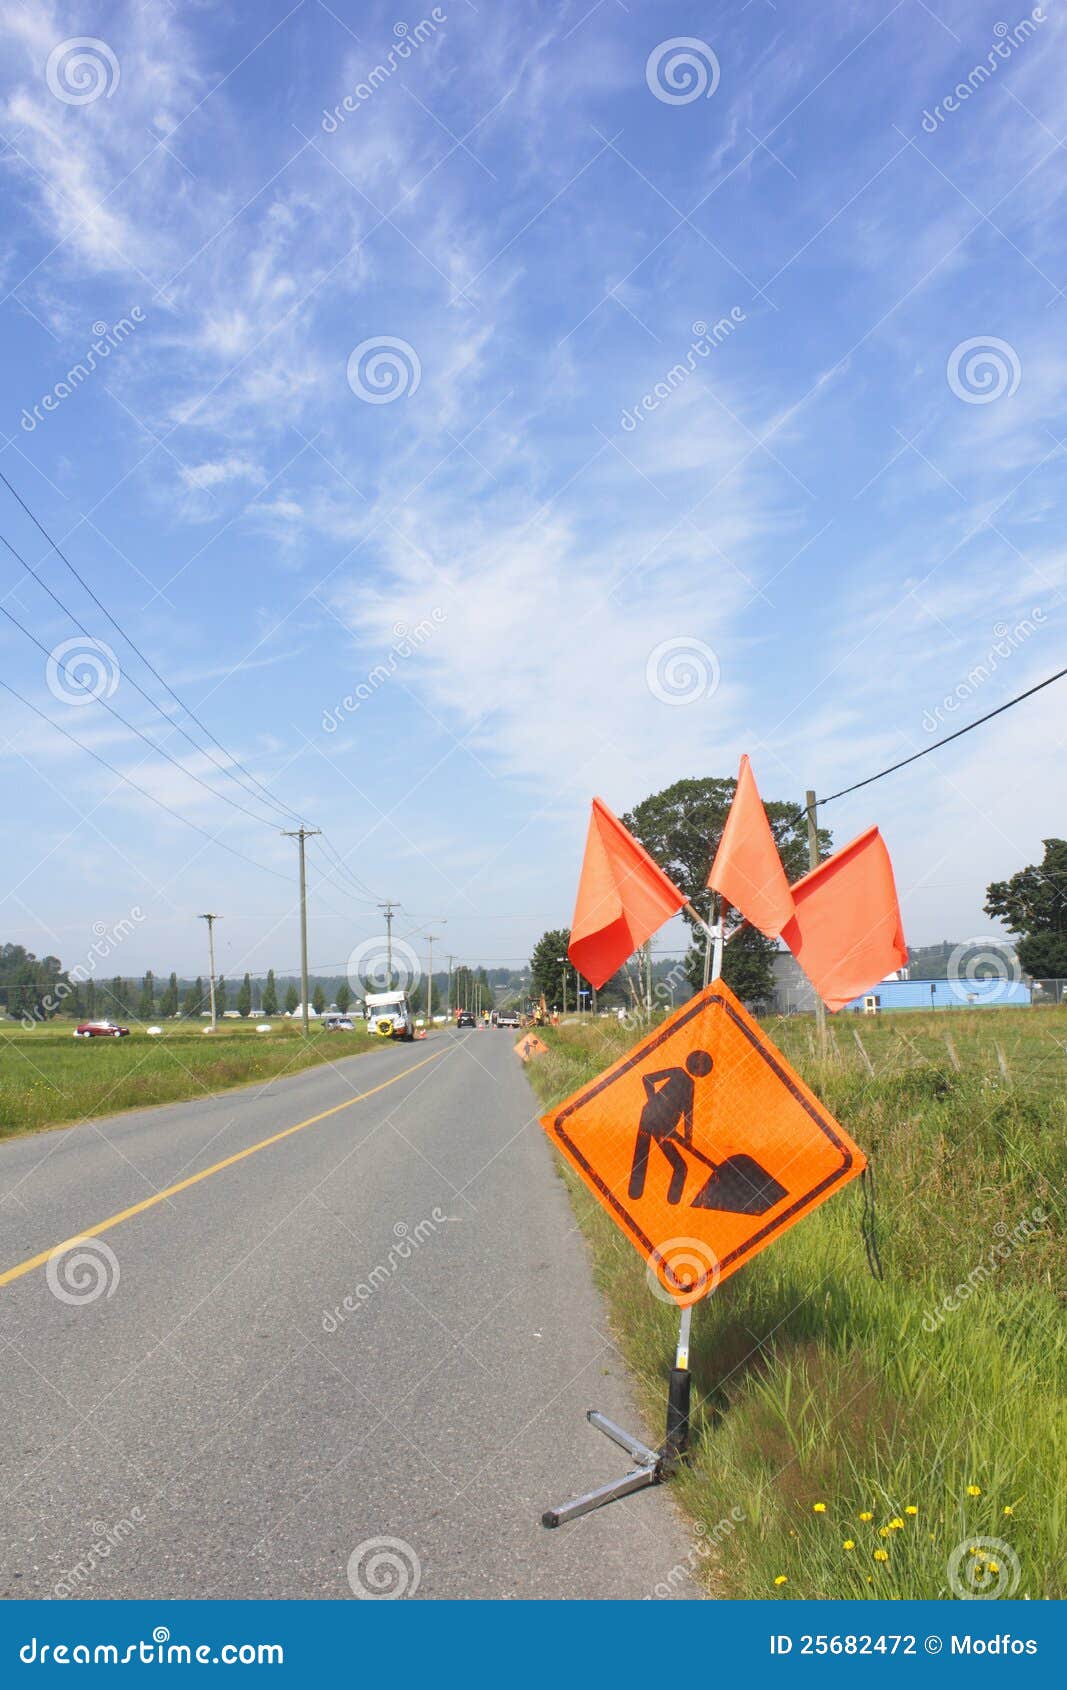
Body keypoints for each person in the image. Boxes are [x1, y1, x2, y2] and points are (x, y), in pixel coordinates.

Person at [628, 1050, 713, 1205]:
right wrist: (655, 1105)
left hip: (666, 1127)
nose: (700, 1069)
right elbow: (647, 1079)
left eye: (704, 1066)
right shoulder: (677, 1072)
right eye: (699, 1065)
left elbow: (689, 1112)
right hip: (650, 1117)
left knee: (680, 1167)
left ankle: (671, 1204)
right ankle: (634, 1195)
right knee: (641, 1156)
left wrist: (688, 1137)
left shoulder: (691, 1085)